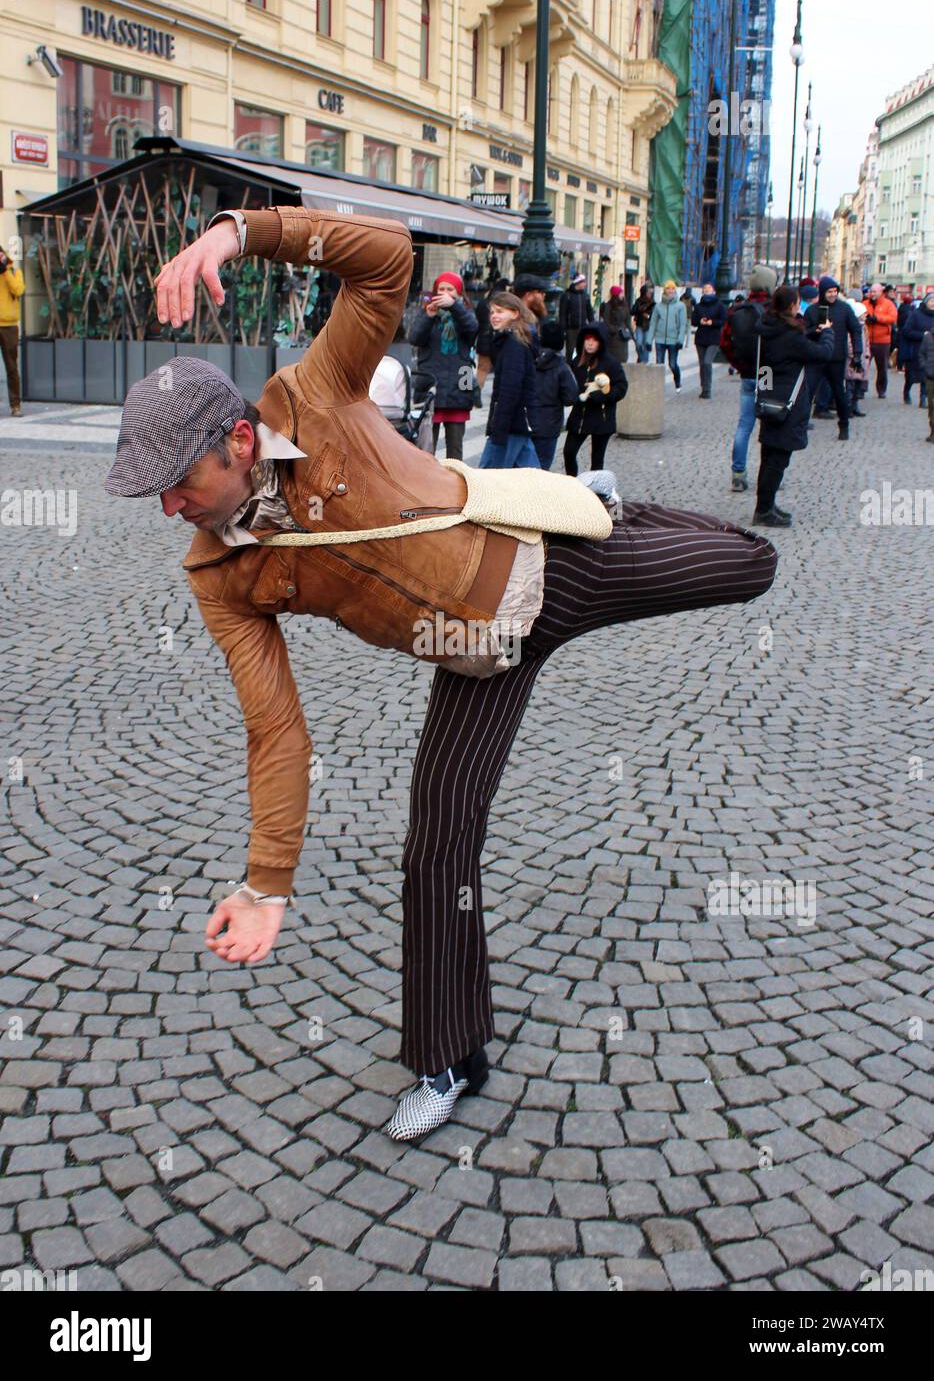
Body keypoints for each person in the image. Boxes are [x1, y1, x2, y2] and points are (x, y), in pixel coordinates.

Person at [109, 204, 778, 1143]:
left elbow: (383, 261)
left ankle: (608, 504)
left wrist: (235, 232)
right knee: (435, 845)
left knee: (754, 566)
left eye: (178, 479)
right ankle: (446, 1056)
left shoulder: (318, 392)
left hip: (552, 568)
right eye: (155, 490)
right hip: (472, 659)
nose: (169, 504)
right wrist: (266, 885)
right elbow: (276, 728)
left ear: (240, 441)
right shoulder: (219, 571)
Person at [752, 284, 834, 528]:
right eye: (798, 302)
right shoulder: (790, 335)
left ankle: (766, 505)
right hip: (787, 402)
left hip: (771, 400)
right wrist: (827, 332)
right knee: (777, 460)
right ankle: (764, 511)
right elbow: (823, 353)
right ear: (791, 306)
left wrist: (765, 388)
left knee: (769, 457)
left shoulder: (767, 328)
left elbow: (771, 362)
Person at [406, 271, 478, 461]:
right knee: (426, 448)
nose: (445, 293)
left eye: (450, 289)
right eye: (441, 289)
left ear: (459, 293)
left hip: (458, 387)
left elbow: (472, 329)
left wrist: (455, 307)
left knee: (455, 451)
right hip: (431, 386)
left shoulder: (466, 313)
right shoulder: (428, 312)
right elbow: (414, 338)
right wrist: (428, 316)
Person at [718, 264, 777, 490]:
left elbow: (725, 344)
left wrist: (739, 365)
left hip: (747, 373)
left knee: (744, 425)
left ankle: (738, 473)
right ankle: (769, 473)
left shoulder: (737, 310)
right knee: (770, 424)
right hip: (768, 373)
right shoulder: (774, 310)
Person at [479, 290, 540, 468]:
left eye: (499, 311)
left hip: (511, 423)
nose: (494, 316)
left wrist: (499, 428)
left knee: (488, 479)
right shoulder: (512, 341)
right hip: (516, 421)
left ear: (515, 313)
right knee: (531, 475)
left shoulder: (513, 344)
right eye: (492, 312)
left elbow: (510, 388)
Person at [562, 320, 628, 475]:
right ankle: (573, 484)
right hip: (580, 415)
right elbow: (569, 383)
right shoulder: (577, 362)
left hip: (601, 416)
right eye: (587, 339)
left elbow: (621, 388)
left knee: (597, 461)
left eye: (594, 340)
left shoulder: (611, 363)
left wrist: (603, 395)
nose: (590, 343)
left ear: (601, 342)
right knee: (569, 452)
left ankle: (596, 492)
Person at [803, 276, 862, 441]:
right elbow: (804, 332)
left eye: (835, 291)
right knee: (808, 393)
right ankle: (800, 425)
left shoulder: (844, 309)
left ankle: (844, 425)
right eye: (829, 292)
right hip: (816, 356)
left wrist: (857, 354)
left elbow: (855, 330)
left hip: (836, 357)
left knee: (839, 393)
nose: (833, 294)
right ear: (822, 292)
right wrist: (815, 330)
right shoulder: (813, 310)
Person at [530, 318, 579, 470]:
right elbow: (571, 397)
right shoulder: (561, 367)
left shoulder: (530, 360)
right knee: (543, 466)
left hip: (528, 420)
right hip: (550, 423)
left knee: (525, 467)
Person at [647, 279, 687, 390]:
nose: (670, 290)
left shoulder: (680, 306)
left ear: (675, 290)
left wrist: (680, 340)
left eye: (672, 288)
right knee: (659, 365)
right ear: (664, 290)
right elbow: (653, 323)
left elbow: (683, 324)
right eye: (668, 288)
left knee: (673, 364)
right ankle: (659, 387)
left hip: (673, 340)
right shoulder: (658, 306)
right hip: (660, 339)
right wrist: (649, 340)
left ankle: (677, 381)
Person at [0, 245, 25, 417]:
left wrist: (4, 272)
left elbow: (18, 289)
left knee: (11, 368)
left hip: (8, 325)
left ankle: (15, 405)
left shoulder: (14, 270)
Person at [862, 282, 898, 398]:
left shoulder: (888, 304)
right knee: (863, 365)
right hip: (867, 340)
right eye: (871, 291)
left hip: (882, 341)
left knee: (882, 368)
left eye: (875, 291)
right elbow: (859, 314)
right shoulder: (865, 303)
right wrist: (866, 319)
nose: (872, 294)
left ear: (880, 292)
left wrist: (877, 318)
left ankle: (881, 390)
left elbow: (892, 318)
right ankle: (861, 389)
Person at [692, 282, 727, 398]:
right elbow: (693, 320)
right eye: (705, 288)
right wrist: (700, 321)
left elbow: (724, 320)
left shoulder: (720, 305)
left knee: (707, 362)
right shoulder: (698, 306)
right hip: (701, 338)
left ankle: (707, 389)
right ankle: (704, 387)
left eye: (709, 288)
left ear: (713, 291)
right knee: (702, 364)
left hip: (714, 338)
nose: (707, 289)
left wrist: (713, 322)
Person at [899, 293, 934, 408]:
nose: (933, 303)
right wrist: (923, 335)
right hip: (915, 350)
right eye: (931, 301)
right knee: (911, 376)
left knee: (927, 375)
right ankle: (906, 392)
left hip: (930, 352)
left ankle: (923, 398)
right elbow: (906, 331)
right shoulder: (915, 314)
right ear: (925, 302)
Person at [844, 291, 870, 418]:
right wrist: (854, 355)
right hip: (852, 361)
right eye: (864, 314)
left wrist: (867, 354)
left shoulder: (864, 328)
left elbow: (867, 343)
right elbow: (849, 344)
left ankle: (855, 406)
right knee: (850, 386)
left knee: (858, 387)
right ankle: (848, 408)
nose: (866, 316)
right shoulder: (852, 328)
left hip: (862, 360)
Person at [559, 273, 594, 362]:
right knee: (570, 350)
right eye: (583, 282)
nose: (585, 284)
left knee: (583, 349)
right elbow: (562, 313)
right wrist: (563, 329)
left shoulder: (585, 296)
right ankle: (570, 367)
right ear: (578, 283)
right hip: (571, 329)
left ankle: (581, 367)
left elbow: (589, 312)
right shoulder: (567, 296)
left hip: (583, 327)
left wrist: (592, 324)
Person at [599, 284, 634, 364]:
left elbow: (628, 321)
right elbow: (606, 322)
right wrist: (614, 330)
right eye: (621, 293)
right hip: (613, 338)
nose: (623, 295)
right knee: (613, 360)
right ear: (616, 295)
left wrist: (631, 333)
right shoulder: (608, 306)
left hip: (623, 337)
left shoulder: (625, 306)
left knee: (623, 359)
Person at [632, 282, 655, 363]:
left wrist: (648, 316)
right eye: (648, 292)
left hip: (648, 326)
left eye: (651, 293)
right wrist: (640, 310)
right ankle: (641, 357)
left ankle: (644, 361)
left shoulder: (653, 302)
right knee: (638, 344)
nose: (650, 294)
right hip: (639, 325)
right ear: (644, 292)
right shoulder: (638, 301)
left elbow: (654, 315)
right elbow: (632, 311)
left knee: (646, 344)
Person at [920, 326, 934, 443]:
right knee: (931, 405)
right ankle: (933, 431)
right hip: (930, 376)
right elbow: (921, 354)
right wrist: (925, 367)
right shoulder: (928, 337)